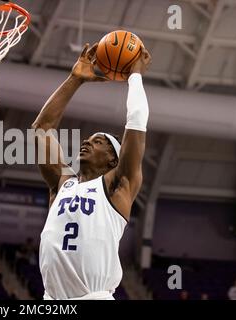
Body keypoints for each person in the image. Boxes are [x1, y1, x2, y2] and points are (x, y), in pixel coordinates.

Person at [32, 42, 151, 300]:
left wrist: (135, 75)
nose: (87, 142)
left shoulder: (119, 184)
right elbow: (42, 129)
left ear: (113, 159)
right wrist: (74, 79)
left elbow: (137, 120)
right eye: (87, 139)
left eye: (99, 141)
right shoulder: (62, 183)